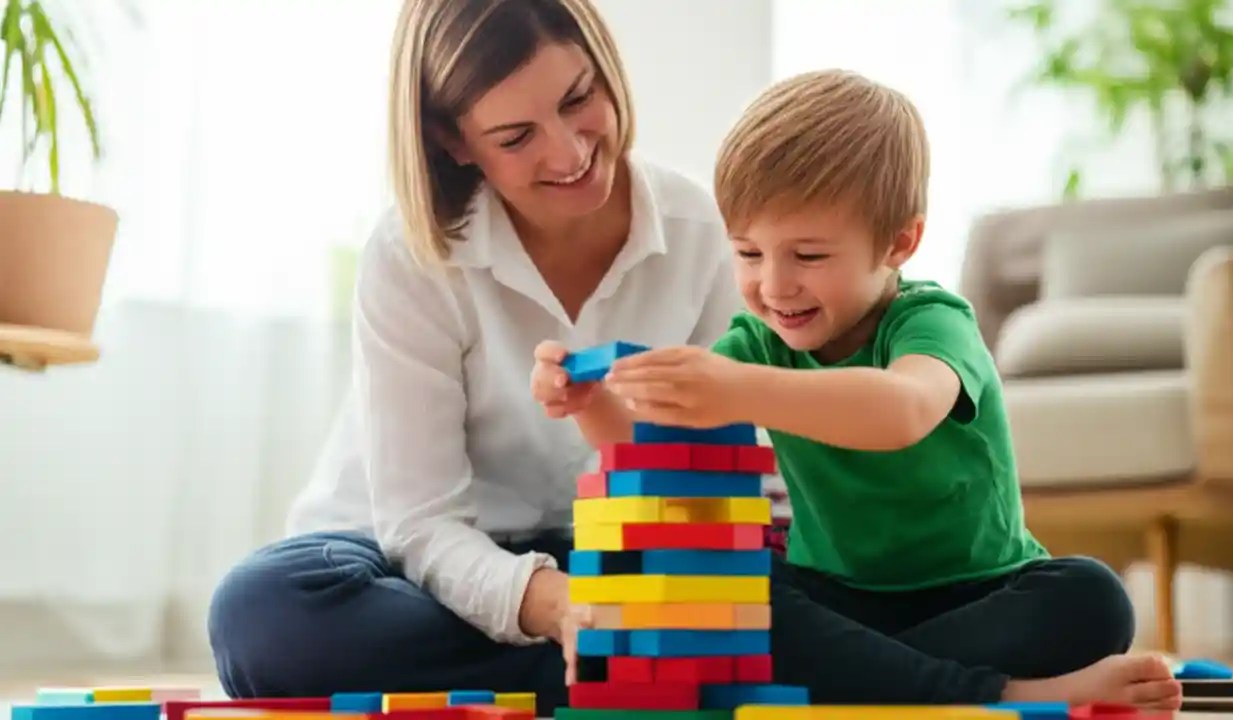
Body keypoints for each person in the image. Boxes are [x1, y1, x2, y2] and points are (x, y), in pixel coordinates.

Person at [531, 69, 1182, 709]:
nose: (774, 286)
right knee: (723, 587)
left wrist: (739, 390)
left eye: (808, 256)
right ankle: (996, 694)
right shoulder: (757, 346)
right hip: (833, 599)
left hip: (978, 594)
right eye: (749, 254)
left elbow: (900, 410)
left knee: (1092, 597)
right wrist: (593, 407)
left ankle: (871, 679)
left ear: (899, 242)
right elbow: (657, 452)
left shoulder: (931, 322)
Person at [205, 1, 741, 715]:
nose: (569, 152)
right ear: (453, 142)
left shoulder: (702, 234)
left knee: (766, 588)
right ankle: (620, 677)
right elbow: (422, 526)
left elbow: (707, 485)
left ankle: (605, 670)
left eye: (579, 98)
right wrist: (558, 607)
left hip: (598, 557)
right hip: (404, 566)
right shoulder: (412, 255)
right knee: (263, 615)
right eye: (516, 136)